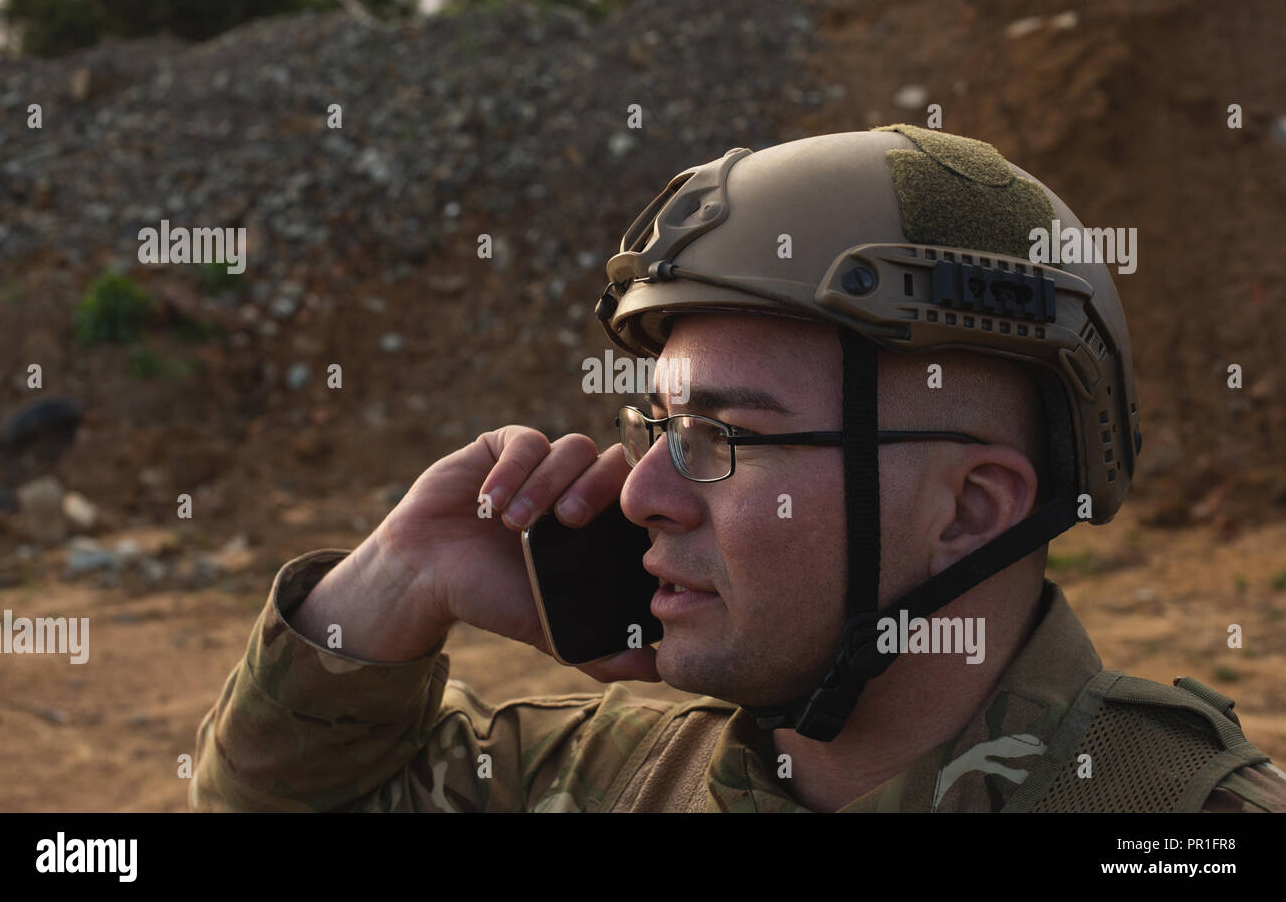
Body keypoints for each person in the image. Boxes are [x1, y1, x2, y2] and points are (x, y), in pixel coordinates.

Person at [191, 125, 1286, 812]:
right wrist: (397, 575)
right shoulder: (616, 772)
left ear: (966, 509)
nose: (639, 492)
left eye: (721, 438)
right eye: (652, 423)